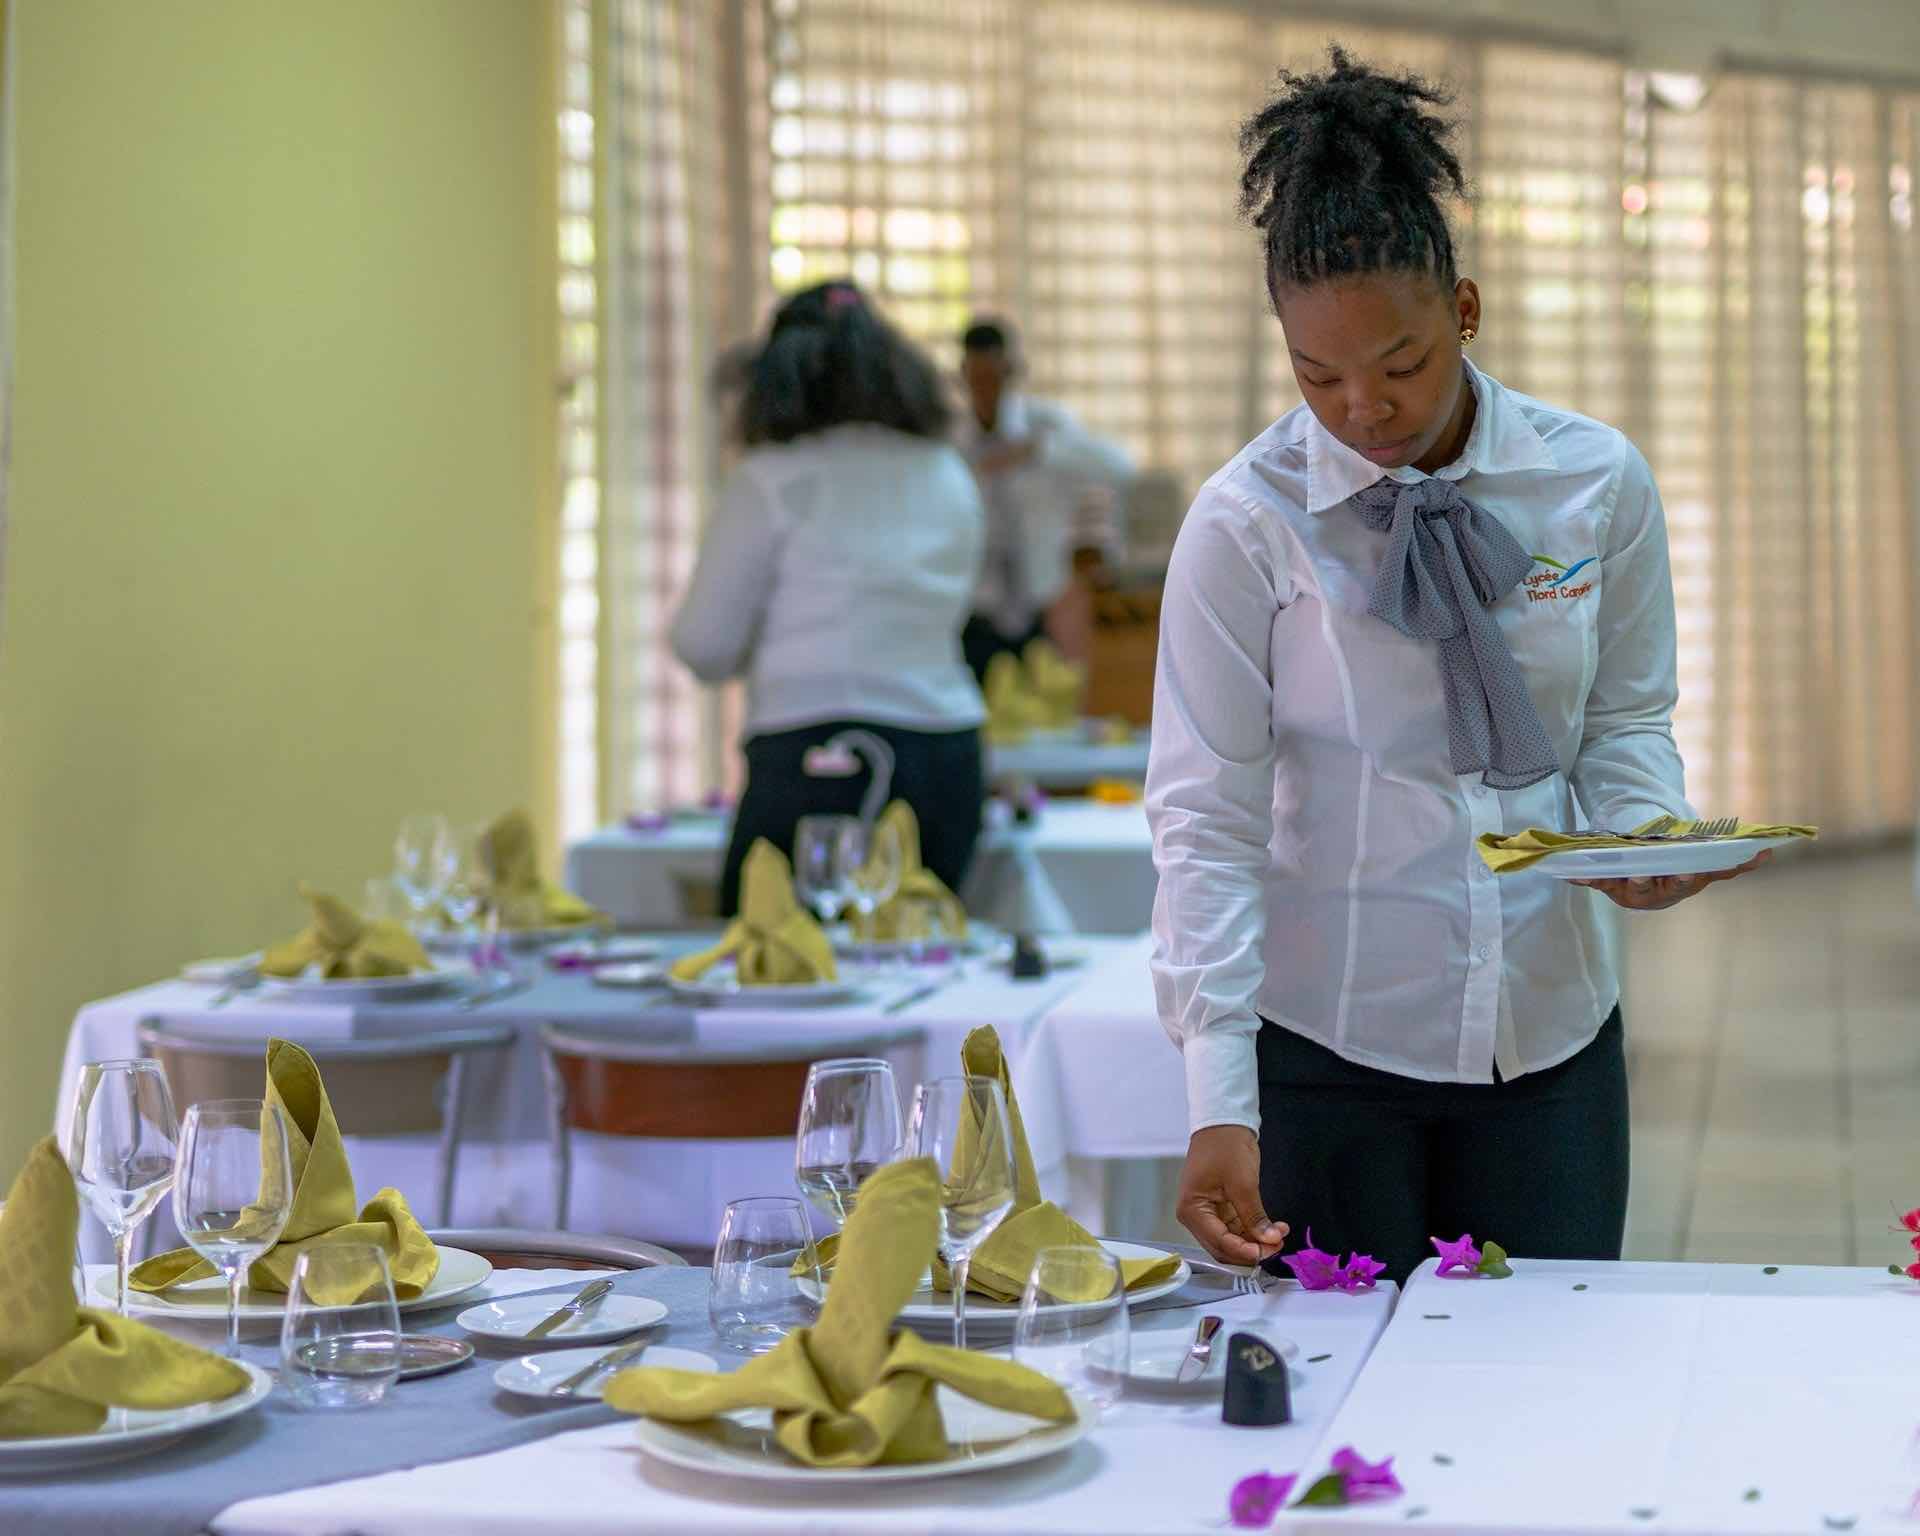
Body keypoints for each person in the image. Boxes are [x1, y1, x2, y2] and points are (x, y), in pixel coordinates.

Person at [1146, 47, 1771, 1284]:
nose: (1363, 411)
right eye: (1318, 376)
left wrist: (1639, 830)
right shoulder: (1246, 522)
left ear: (1466, 309)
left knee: (1546, 1397)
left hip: (1552, 1034)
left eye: (1402, 365)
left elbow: (1625, 716)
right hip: (1328, 1048)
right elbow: (1204, 820)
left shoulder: (1593, 480)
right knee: (1335, 1410)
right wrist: (1218, 1091)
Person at [671, 281, 986, 916]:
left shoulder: (773, 478)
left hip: (817, 752)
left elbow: (705, 646)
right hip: (946, 753)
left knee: (776, 977)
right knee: (915, 967)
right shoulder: (946, 471)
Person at [956, 318, 1134, 679]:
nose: (987, 389)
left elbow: (1121, 467)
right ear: (963, 374)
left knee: (1048, 714)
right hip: (976, 607)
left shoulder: (1047, 426)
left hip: (1044, 604)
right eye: (978, 378)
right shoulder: (950, 439)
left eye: (996, 376)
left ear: (1012, 371)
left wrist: (1040, 451)